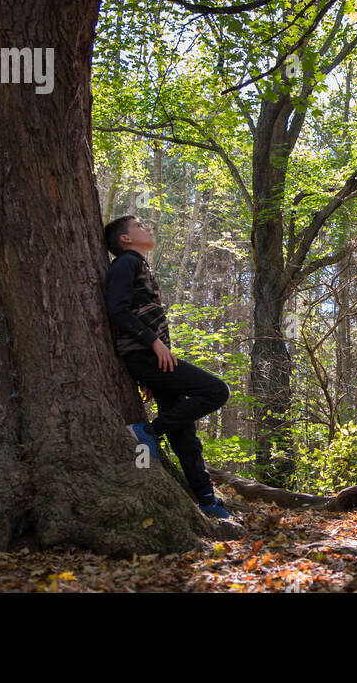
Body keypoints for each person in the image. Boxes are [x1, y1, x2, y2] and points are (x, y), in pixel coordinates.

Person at [103, 214, 238, 522]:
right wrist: (153, 344)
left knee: (185, 436)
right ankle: (147, 432)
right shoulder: (126, 263)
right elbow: (117, 310)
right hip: (145, 355)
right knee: (217, 391)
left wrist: (157, 357)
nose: (147, 228)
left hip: (153, 360)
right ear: (125, 239)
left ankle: (207, 500)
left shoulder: (140, 265)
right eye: (139, 225)